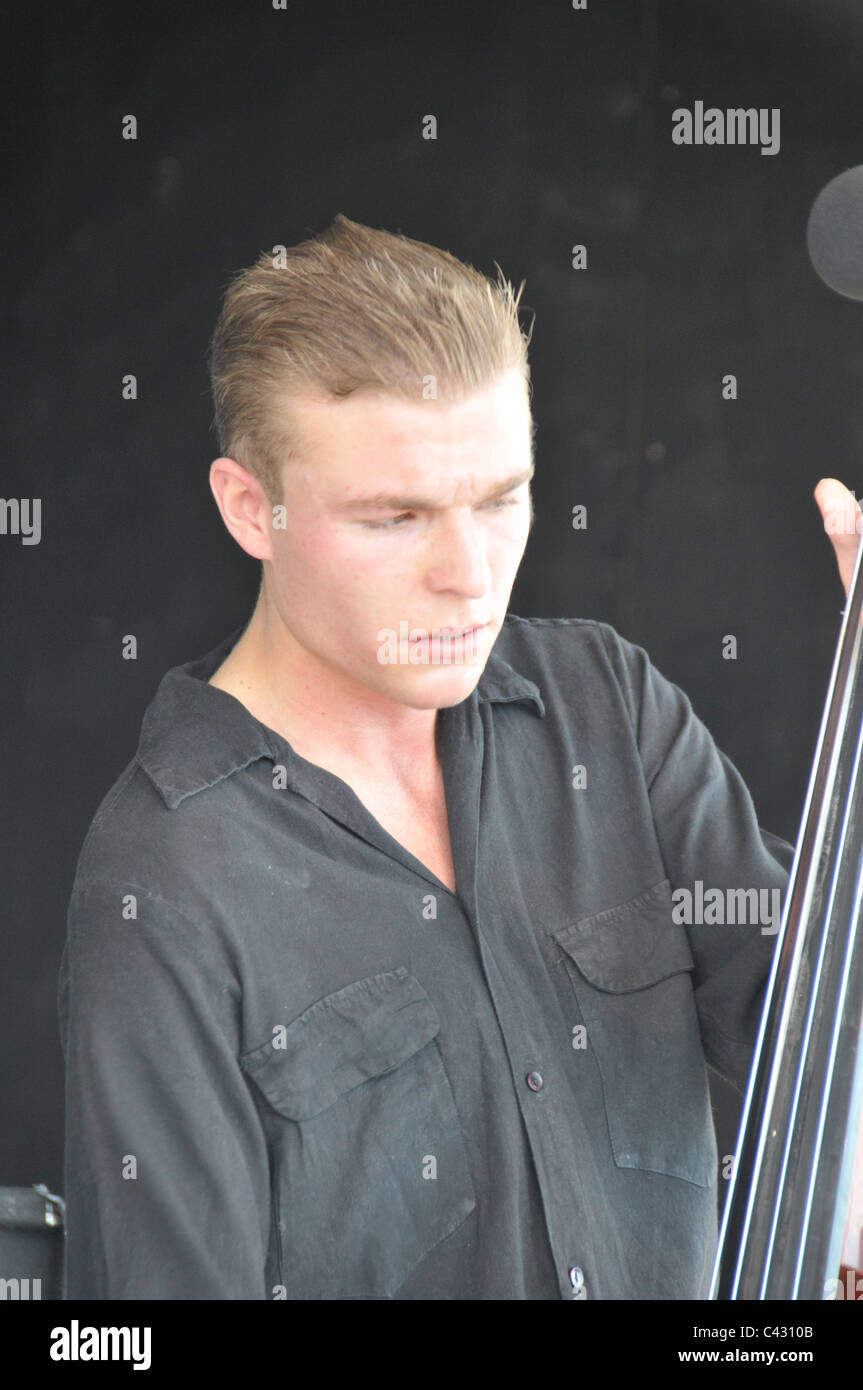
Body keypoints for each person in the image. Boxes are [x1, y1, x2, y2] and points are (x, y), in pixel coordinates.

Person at [58, 213, 861, 1300]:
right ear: (252, 509)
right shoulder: (166, 879)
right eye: (395, 517)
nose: (470, 576)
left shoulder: (604, 709)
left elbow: (827, 1065)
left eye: (500, 500)